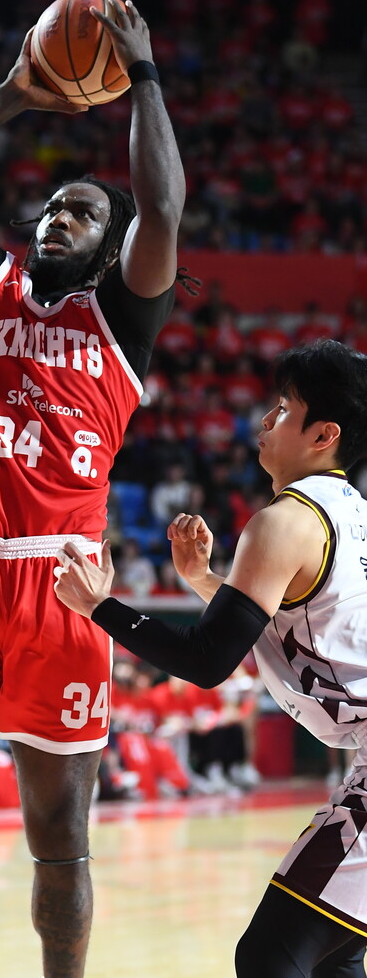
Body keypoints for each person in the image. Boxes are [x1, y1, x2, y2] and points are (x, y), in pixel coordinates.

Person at [0, 0, 189, 978]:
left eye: (83, 212)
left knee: (61, 840)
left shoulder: (122, 324)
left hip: (62, 590)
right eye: (53, 207)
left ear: (108, 245)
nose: (59, 217)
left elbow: (164, 211)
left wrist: (143, 78)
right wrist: (15, 91)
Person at [54, 338, 367, 977]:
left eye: (285, 409)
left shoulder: (285, 521)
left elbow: (206, 661)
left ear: (323, 434)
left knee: (269, 958)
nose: (265, 419)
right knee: (331, 958)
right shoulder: (351, 514)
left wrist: (99, 607)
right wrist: (202, 579)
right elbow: (284, 628)